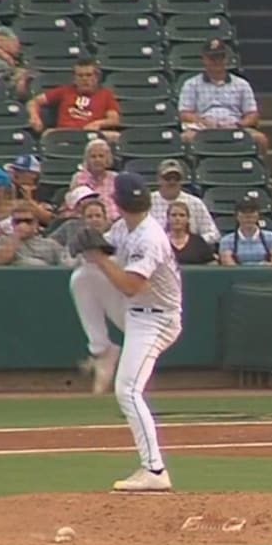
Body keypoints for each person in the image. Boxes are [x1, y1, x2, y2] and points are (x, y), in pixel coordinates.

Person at [82, 172, 185, 492]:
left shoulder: (150, 237)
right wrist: (91, 246)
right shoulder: (123, 227)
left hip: (157, 320)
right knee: (82, 277)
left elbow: (130, 285)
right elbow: (106, 251)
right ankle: (102, 349)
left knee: (127, 389)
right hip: (135, 311)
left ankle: (154, 469)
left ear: (117, 202)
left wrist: (98, 257)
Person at [66, 195, 123, 393]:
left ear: (106, 219)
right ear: (83, 220)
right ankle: (101, 351)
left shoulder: (117, 235)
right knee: (81, 276)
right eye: (90, 216)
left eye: (98, 215)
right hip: (108, 294)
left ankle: (103, 354)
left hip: (130, 295)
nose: (94, 219)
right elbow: (68, 260)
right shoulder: (80, 239)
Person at [178, 39, 268, 154]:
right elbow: (184, 113)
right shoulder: (191, 84)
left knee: (260, 139)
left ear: (226, 59)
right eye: (212, 58)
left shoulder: (241, 84)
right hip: (203, 128)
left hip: (235, 126)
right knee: (185, 138)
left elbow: (252, 114)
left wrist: (239, 124)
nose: (217, 62)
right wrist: (202, 122)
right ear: (204, 59)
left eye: (220, 58)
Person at [28, 56, 121, 136]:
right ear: (74, 78)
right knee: (48, 134)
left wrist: (98, 124)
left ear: (97, 77)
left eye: (89, 75)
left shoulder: (106, 94)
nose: (84, 79)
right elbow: (34, 101)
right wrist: (34, 116)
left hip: (90, 134)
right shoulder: (64, 91)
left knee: (115, 136)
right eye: (80, 75)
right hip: (64, 133)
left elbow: (114, 119)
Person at [150, 159, 220, 252]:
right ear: (159, 179)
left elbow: (214, 234)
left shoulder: (195, 203)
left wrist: (189, 243)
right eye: (168, 178)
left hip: (190, 251)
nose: (172, 182)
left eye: (176, 178)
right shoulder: (147, 202)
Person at [218, 196, 272, 265]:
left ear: (258, 216)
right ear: (237, 217)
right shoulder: (226, 241)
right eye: (244, 214)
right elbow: (229, 265)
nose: (248, 218)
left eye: (252, 214)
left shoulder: (271, 237)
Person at [7, 202, 67, 266]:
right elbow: (0, 261)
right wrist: (16, 236)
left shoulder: (51, 245)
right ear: (12, 222)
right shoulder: (3, 241)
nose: (22, 224)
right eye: (17, 221)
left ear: (36, 223)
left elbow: (66, 266)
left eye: (28, 221)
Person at [68, 138, 118, 212]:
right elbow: (74, 205)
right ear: (87, 160)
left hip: (115, 216)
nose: (97, 160)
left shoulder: (115, 178)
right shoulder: (79, 178)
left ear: (108, 159)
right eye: (93, 156)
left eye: (101, 156)